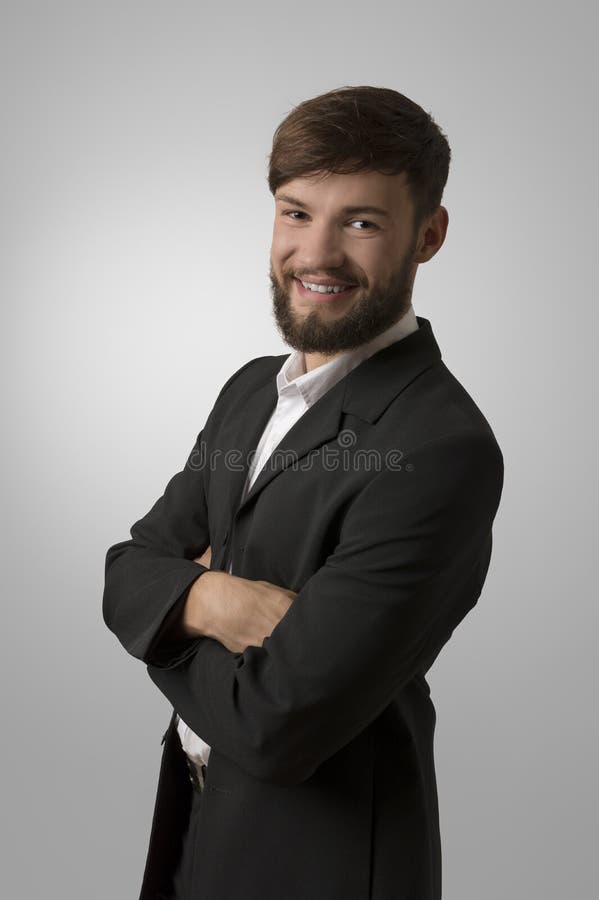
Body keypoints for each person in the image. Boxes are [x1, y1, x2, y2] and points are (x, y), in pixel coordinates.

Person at [103, 85, 504, 900]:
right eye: (295, 212)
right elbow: (125, 570)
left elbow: (275, 726)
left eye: (360, 222)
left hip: (318, 861)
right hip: (196, 830)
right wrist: (213, 601)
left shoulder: (440, 447)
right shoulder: (251, 391)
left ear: (428, 236)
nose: (315, 253)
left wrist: (162, 617)